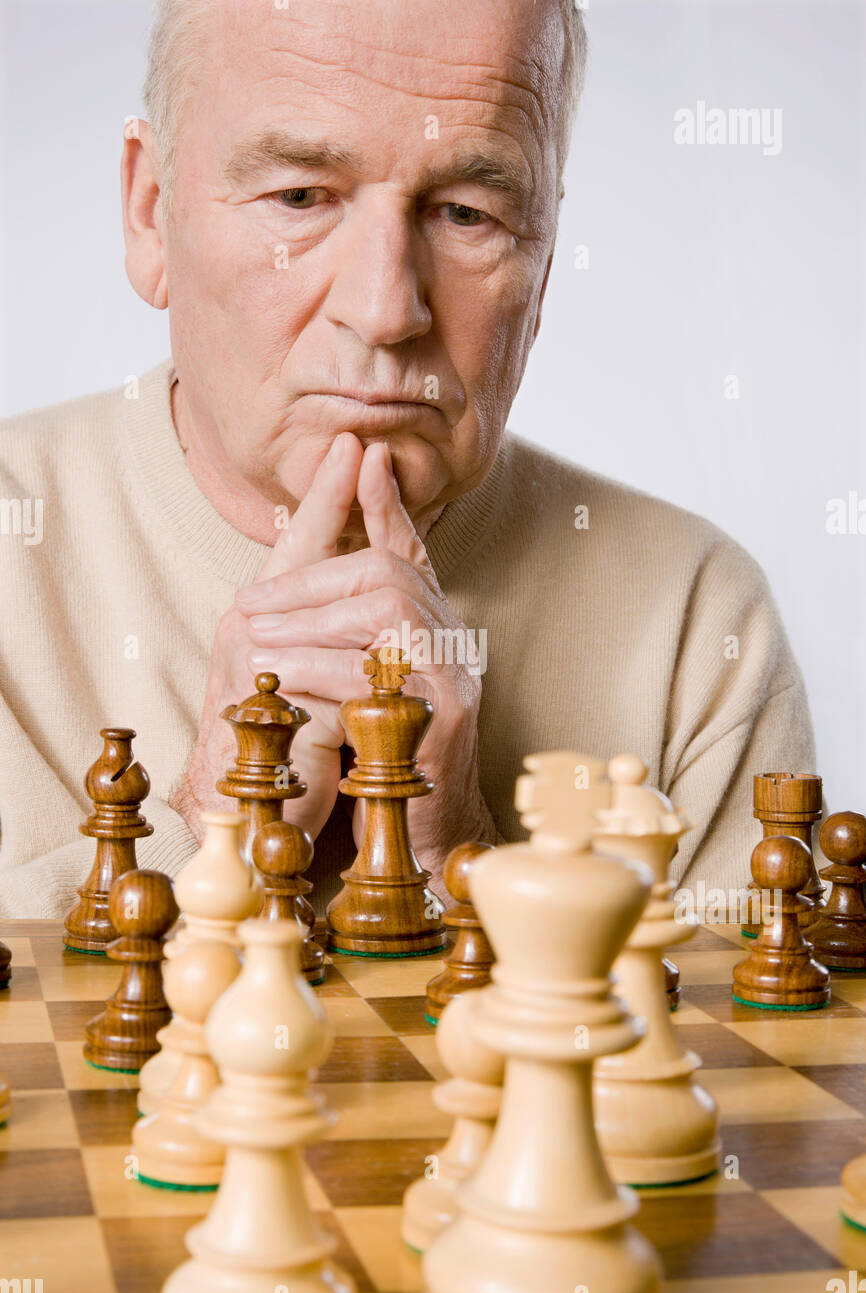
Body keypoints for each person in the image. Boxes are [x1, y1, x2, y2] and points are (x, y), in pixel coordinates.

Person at [0, 0, 813, 917]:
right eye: (300, 198)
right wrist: (208, 838)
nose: (387, 309)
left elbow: (745, 1055)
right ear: (151, 215)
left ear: (542, 271)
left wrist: (461, 862)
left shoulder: (696, 622)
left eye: (468, 214)